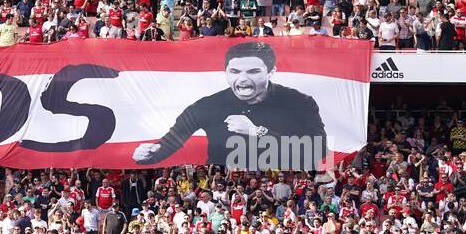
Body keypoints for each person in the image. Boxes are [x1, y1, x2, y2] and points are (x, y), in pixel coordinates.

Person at [132, 41, 328, 168]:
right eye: (234, 71)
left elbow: (319, 150)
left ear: (271, 72)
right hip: (224, 190)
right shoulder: (207, 106)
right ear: (225, 72)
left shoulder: (300, 103)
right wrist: (148, 153)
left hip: (278, 190)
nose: (242, 79)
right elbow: (169, 143)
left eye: (252, 71)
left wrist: (257, 131)